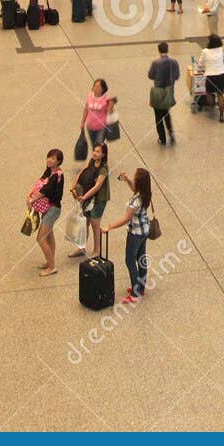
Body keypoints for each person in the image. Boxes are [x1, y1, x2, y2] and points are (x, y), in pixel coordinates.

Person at [103, 167, 153, 304]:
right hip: (144, 230)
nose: (133, 178)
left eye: (134, 178)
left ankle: (135, 294)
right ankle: (141, 288)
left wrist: (110, 226)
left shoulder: (135, 201)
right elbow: (135, 188)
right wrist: (128, 180)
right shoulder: (146, 193)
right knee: (141, 258)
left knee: (130, 260)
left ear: (139, 182)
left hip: (135, 233)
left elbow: (126, 219)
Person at [70, 141, 110, 259]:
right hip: (88, 197)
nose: (95, 153)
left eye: (98, 152)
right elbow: (82, 172)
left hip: (99, 200)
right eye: (94, 150)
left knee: (94, 225)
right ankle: (81, 248)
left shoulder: (103, 168)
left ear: (103, 154)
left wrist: (84, 197)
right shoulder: (92, 161)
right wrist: (74, 185)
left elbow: (97, 186)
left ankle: (97, 250)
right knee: (84, 223)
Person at [29, 148, 65, 276]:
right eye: (49, 157)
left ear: (59, 161)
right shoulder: (49, 171)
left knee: (41, 238)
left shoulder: (57, 175)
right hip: (47, 208)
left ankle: (52, 267)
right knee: (49, 236)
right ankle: (50, 261)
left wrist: (32, 200)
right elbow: (39, 185)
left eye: (53, 158)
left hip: (52, 209)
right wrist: (31, 194)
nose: (49, 160)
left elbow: (46, 190)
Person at [148, 41, 180, 145]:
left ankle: (162, 138)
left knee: (158, 116)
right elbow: (177, 76)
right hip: (169, 91)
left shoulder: (155, 63)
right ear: (167, 49)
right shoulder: (174, 62)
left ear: (159, 50)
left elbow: (150, 75)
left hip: (158, 91)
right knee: (166, 112)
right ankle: (171, 132)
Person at [79, 77, 116, 152]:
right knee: (94, 146)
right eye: (94, 86)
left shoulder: (106, 99)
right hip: (90, 126)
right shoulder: (89, 96)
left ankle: (101, 157)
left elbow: (110, 113)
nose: (95, 88)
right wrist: (82, 122)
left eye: (98, 86)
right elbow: (86, 109)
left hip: (101, 127)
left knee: (98, 146)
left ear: (103, 89)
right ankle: (97, 157)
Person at [201, 34, 224, 122]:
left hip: (210, 75)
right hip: (221, 75)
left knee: (209, 93)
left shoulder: (205, 51)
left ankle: (211, 107)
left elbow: (201, 64)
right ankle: (221, 115)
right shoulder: (222, 50)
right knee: (220, 94)